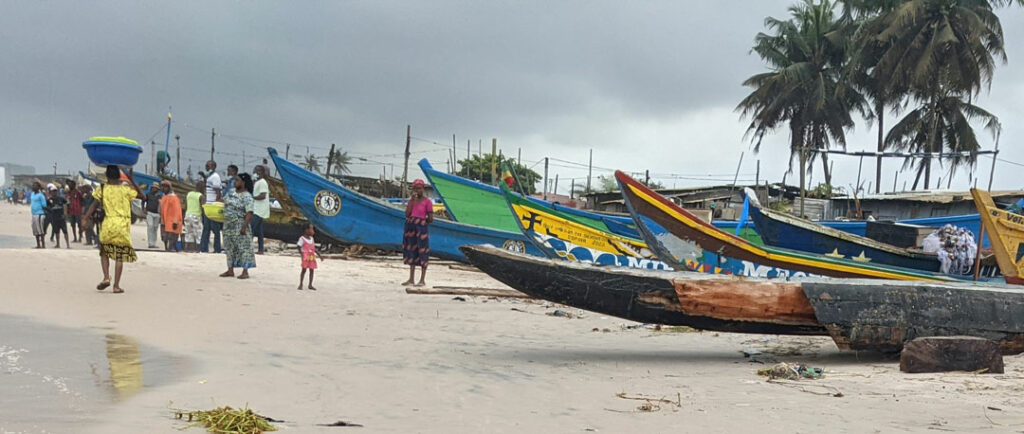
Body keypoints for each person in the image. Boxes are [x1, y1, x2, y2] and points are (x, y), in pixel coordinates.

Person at [83, 165, 145, 294]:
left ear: (107, 176)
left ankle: (106, 277)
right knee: (119, 257)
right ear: (119, 176)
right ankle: (116, 286)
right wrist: (131, 179)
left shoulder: (103, 188)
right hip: (122, 225)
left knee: (104, 252)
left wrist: (85, 218)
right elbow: (142, 196)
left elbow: (94, 205)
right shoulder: (125, 189)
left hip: (108, 224)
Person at [220, 173, 255, 279]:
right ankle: (230, 270)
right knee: (229, 247)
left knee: (244, 248)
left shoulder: (247, 196)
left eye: (237, 180)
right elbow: (224, 202)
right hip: (228, 225)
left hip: (240, 225)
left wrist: (244, 227)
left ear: (243, 183)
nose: (235, 182)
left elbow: (249, 212)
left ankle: (245, 271)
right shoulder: (231, 193)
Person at [401, 179, 433, 286]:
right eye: (415, 189)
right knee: (411, 251)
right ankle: (411, 279)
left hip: (421, 228)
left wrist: (422, 223)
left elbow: (431, 218)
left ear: (423, 189)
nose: (417, 191)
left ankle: (422, 280)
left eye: (419, 188)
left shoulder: (427, 202)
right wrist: (412, 201)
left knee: (423, 252)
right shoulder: (412, 201)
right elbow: (407, 213)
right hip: (410, 228)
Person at [200, 160, 223, 253]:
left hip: (212, 207)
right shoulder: (209, 177)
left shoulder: (215, 177)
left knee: (216, 230)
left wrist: (216, 204)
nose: (206, 168)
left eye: (208, 166)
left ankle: (217, 249)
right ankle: (203, 248)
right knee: (206, 228)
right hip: (207, 206)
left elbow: (218, 193)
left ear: (213, 167)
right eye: (206, 166)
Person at [297, 224, 323, 290]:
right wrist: (301, 254)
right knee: (304, 270)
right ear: (306, 230)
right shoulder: (302, 239)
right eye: (311, 229)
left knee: (312, 270)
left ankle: (310, 285)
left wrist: (319, 255)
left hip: (311, 256)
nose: (313, 231)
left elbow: (314, 248)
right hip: (306, 256)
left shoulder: (312, 239)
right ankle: (301, 284)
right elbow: (299, 246)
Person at [159, 181, 183, 252]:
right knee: (165, 237)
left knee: (172, 237)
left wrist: (175, 221)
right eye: (162, 187)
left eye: (165, 187)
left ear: (169, 188)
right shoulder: (164, 197)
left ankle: (169, 249)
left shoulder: (174, 198)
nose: (163, 188)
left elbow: (177, 210)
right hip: (165, 221)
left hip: (173, 221)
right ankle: (169, 249)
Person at [251, 165, 270, 254]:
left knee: (251, 228)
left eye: (257, 171)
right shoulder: (257, 182)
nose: (255, 172)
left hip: (259, 210)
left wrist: (253, 198)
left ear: (261, 173)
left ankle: (246, 247)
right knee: (259, 231)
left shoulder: (262, 182)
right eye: (254, 171)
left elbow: (263, 195)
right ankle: (261, 249)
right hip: (257, 208)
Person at [46, 184, 70, 249]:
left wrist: (65, 213)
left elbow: (66, 204)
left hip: (61, 217)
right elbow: (47, 207)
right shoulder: (49, 200)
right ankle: (58, 244)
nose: (54, 192)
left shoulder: (61, 198)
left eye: (55, 191)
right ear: (50, 192)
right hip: (54, 217)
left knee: (65, 231)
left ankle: (68, 245)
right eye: (53, 191)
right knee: (57, 232)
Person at [183, 181, 204, 252]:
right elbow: (202, 206)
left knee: (188, 233)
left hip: (188, 214)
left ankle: (188, 249)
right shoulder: (200, 196)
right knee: (198, 233)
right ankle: (198, 249)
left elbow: (185, 205)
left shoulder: (189, 194)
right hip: (196, 215)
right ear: (201, 188)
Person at [29, 182, 47, 248]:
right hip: (34, 214)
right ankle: (38, 245)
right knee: (35, 230)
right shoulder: (32, 194)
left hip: (39, 214)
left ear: (38, 188)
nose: (33, 187)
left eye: (35, 186)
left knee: (40, 230)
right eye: (33, 185)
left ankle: (43, 245)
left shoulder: (41, 195)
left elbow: (44, 205)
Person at [143, 184, 161, 248]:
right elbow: (144, 201)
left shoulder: (159, 196)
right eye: (153, 188)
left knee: (155, 228)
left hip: (157, 213)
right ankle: (150, 243)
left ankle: (153, 243)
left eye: (155, 188)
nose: (154, 189)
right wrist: (144, 208)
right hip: (149, 212)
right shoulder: (148, 195)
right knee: (150, 226)